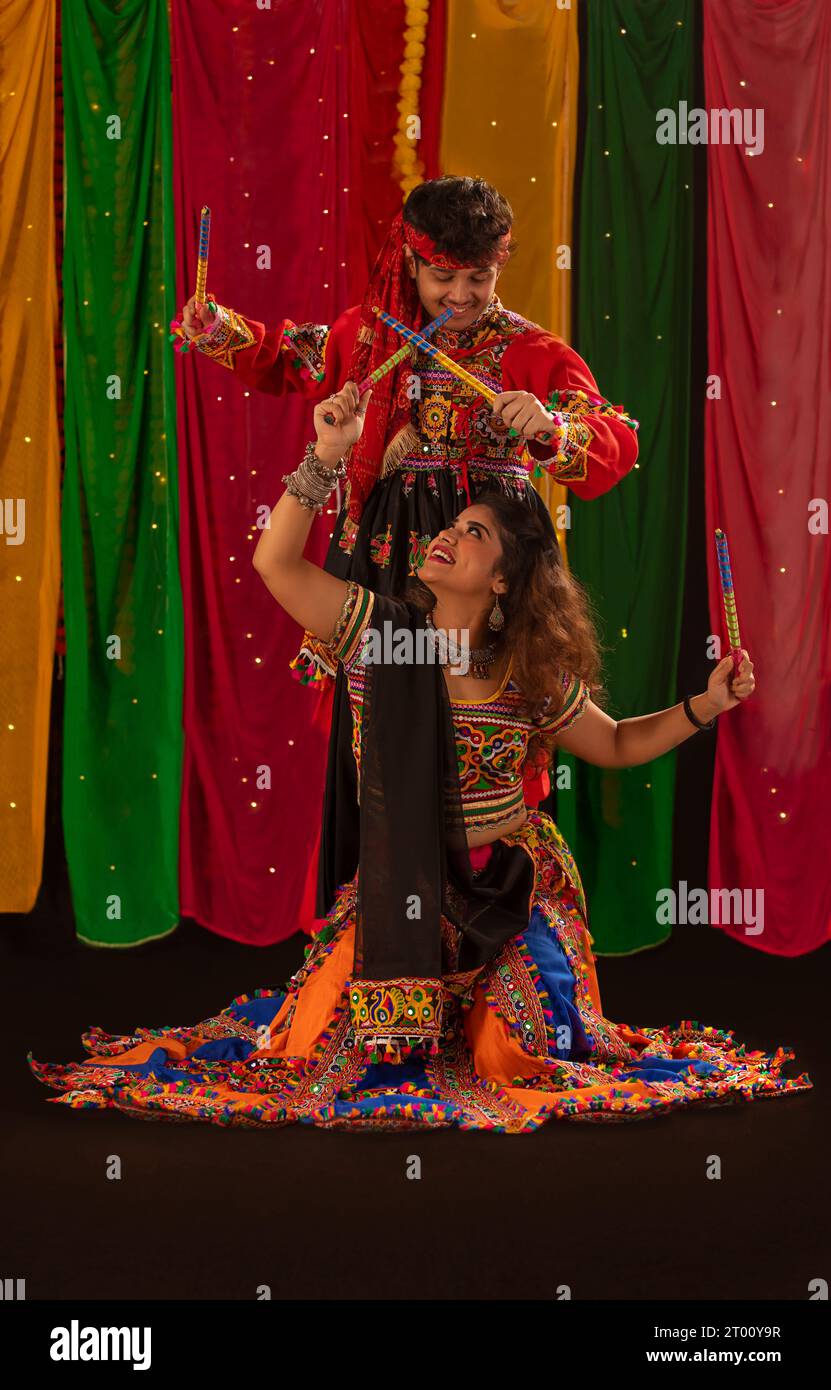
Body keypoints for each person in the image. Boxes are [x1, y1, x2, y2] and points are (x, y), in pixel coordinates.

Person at [27, 383, 811, 1131]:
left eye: (473, 534)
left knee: (513, 1057)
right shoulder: (378, 631)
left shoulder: (526, 668)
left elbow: (611, 742)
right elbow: (275, 565)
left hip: (508, 889)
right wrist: (325, 457)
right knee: (314, 1051)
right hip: (404, 884)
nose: (447, 533)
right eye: (451, 525)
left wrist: (704, 705)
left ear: (503, 579)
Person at [175, 176, 640, 917]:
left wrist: (552, 429)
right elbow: (292, 359)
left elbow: (614, 438)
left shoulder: (529, 351)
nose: (458, 296)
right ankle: (382, 932)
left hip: (487, 575)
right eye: (441, 277)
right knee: (388, 735)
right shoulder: (372, 333)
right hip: (392, 569)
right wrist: (218, 326)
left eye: (477, 278)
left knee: (488, 726)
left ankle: (490, 924)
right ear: (411, 264)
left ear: (500, 266)